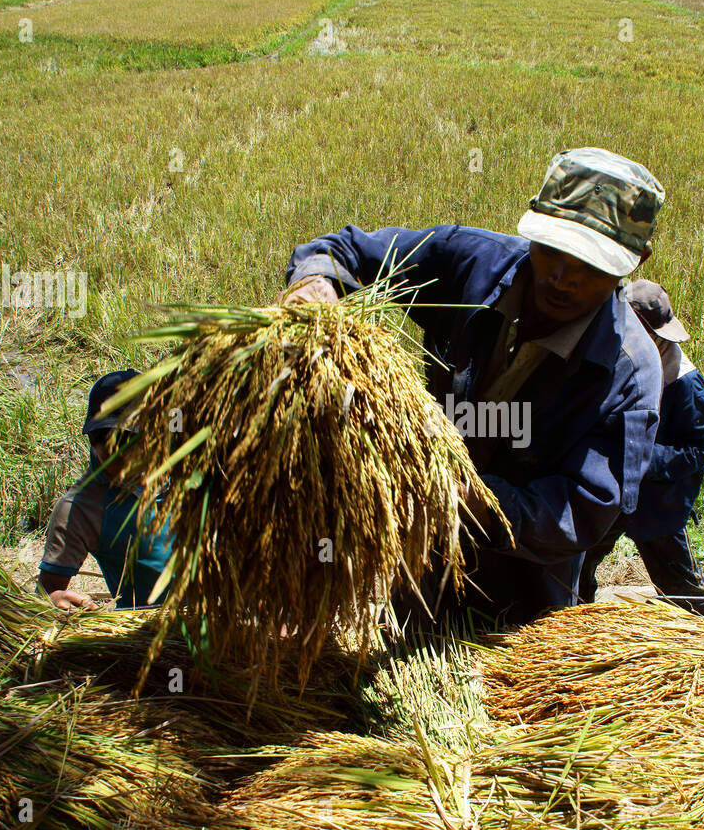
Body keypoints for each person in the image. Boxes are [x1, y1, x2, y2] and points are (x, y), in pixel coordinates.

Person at [283, 147, 665, 625]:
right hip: (417, 555)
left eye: (589, 265)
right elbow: (346, 251)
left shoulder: (628, 372)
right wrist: (316, 281)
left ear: (635, 261)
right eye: (551, 250)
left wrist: (469, 497)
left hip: (522, 595)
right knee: (401, 648)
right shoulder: (472, 264)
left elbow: (583, 509)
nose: (561, 278)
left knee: (491, 692)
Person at [578, 280, 704, 616]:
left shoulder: (684, 383)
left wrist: (639, 459)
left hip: (656, 500)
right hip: (614, 489)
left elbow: (696, 450)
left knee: (679, 586)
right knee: (577, 560)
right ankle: (574, 620)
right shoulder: (619, 358)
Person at [37, 370, 174, 610]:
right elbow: (44, 596)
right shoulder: (79, 509)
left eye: (124, 439)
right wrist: (54, 600)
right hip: (160, 634)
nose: (111, 451)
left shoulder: (180, 456)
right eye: (100, 436)